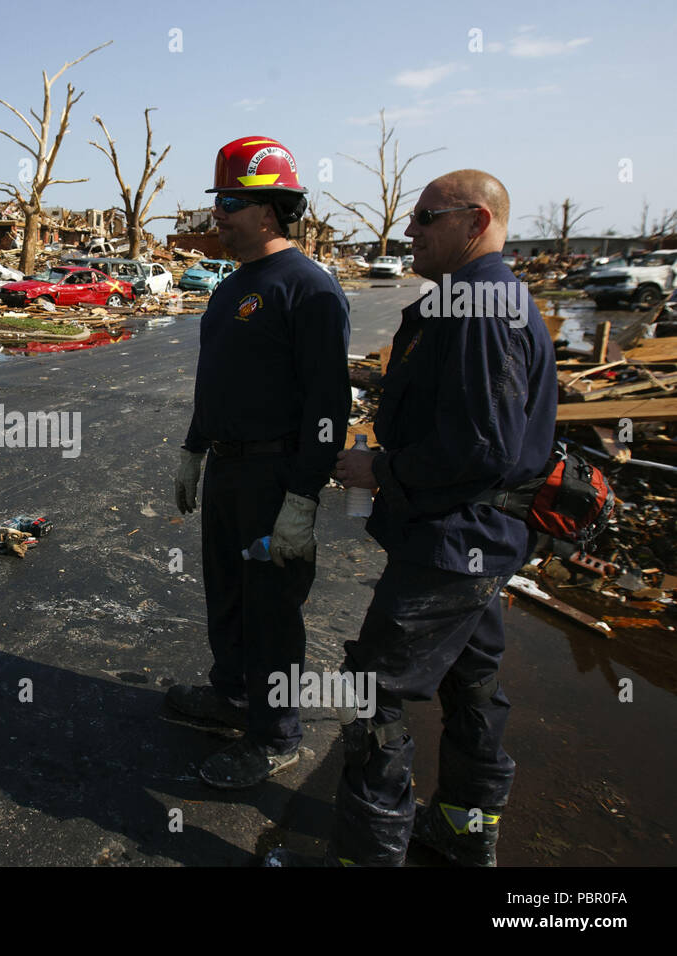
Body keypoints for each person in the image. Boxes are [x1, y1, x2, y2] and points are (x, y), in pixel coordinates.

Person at [330, 170, 557, 865]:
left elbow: (482, 447)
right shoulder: (470, 298)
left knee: (377, 692)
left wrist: (381, 471)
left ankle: (369, 855)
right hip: (477, 543)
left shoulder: (481, 307)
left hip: (454, 543)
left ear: (476, 220)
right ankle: (463, 828)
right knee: (472, 681)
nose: (411, 231)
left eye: (426, 216)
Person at [170, 137, 351, 788]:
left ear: (270, 210)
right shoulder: (231, 289)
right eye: (217, 201)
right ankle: (233, 696)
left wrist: (303, 496)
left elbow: (329, 403)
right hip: (227, 470)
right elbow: (213, 384)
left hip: (276, 477)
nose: (216, 215)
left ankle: (276, 736)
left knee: (271, 608)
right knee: (227, 592)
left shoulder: (309, 289)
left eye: (229, 203)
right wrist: (194, 450)